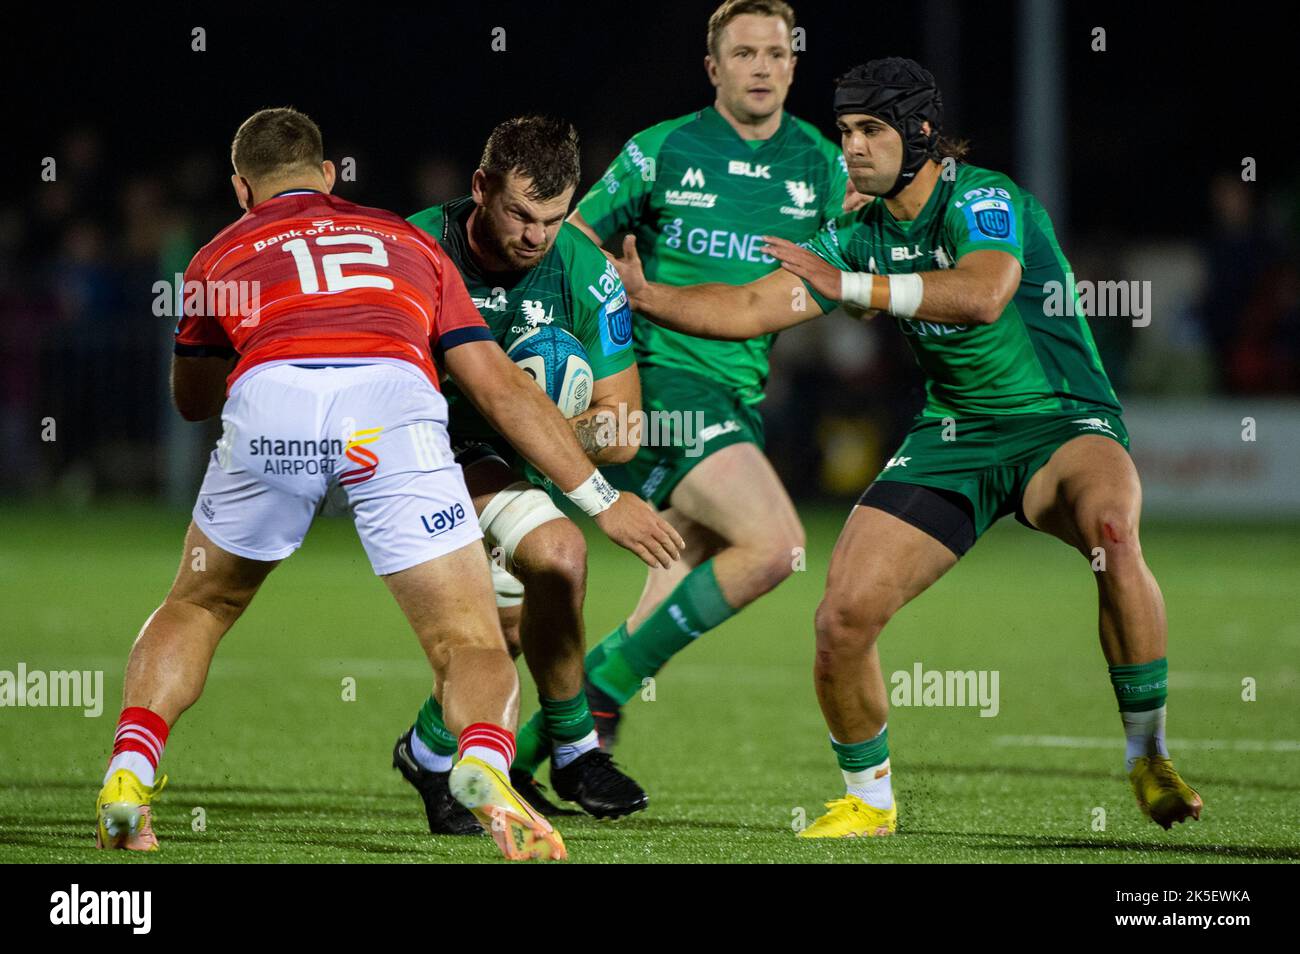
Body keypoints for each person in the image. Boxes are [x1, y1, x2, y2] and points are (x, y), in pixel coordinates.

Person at [607, 58, 1202, 838]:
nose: (851, 147)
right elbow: (754, 304)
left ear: (920, 133)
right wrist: (649, 296)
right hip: (953, 435)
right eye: (846, 130)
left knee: (1113, 533)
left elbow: (984, 294)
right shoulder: (855, 232)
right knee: (841, 618)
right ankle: (870, 800)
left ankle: (1148, 752)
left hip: (1061, 423)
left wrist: (852, 287)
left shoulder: (981, 195)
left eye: (870, 131)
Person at [94, 107, 680, 861]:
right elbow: (499, 388)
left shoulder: (218, 254)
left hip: (276, 401)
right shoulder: (401, 238)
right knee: (469, 639)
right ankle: (480, 762)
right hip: (396, 414)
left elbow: (192, 402)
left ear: (243, 189)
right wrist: (603, 500)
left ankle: (128, 774)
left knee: (200, 604)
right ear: (331, 175)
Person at [512, 0, 854, 787]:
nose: (762, 67)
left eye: (775, 53)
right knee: (775, 547)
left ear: (794, 65)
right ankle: (602, 694)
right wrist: (606, 300)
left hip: (736, 400)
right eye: (744, 54)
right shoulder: (659, 151)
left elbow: (857, 258)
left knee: (672, 582)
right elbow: (571, 232)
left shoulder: (823, 168)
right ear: (714, 68)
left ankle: (524, 756)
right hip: (663, 385)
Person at [393, 116, 649, 830]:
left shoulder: (585, 271)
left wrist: (548, 432)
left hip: (505, 464)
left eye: (554, 218)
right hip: (416, 456)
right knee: (517, 602)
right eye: (519, 213)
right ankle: (571, 748)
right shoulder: (413, 248)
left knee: (541, 587)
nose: (537, 235)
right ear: (480, 187)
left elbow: (623, 425)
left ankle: (437, 751)